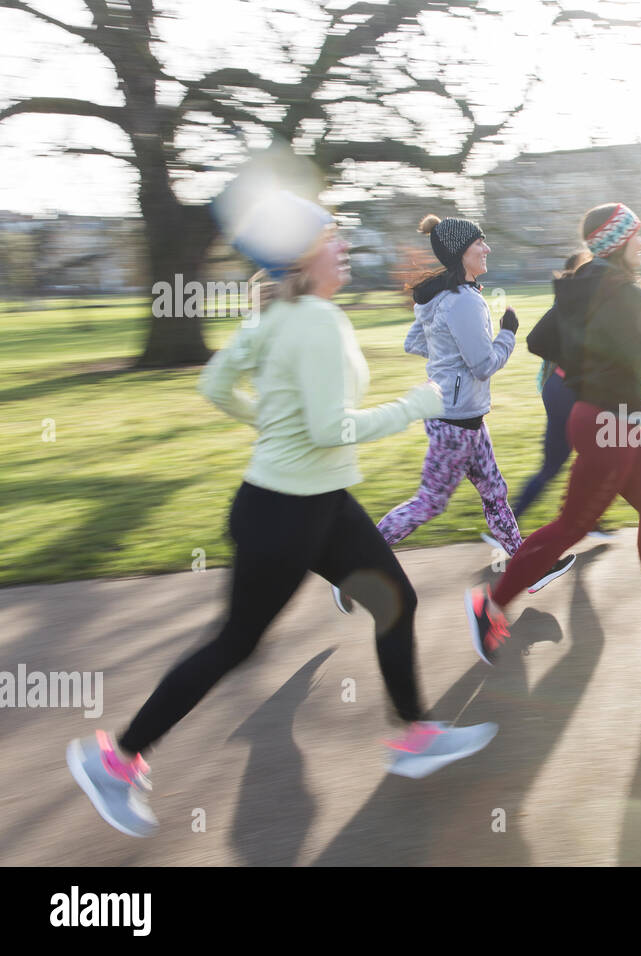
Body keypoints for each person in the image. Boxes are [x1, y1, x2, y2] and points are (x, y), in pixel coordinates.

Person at [67, 191, 498, 839]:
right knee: (235, 642)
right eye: (333, 236)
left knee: (393, 600)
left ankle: (416, 734)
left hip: (315, 502)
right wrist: (419, 404)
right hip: (287, 514)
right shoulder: (315, 323)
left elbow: (214, 386)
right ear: (302, 254)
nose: (344, 245)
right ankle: (117, 759)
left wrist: (270, 424)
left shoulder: (277, 315)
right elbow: (331, 429)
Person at [464, 202, 641, 665]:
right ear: (618, 241)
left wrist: (585, 365)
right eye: (636, 235)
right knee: (572, 526)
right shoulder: (628, 296)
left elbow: (539, 342)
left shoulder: (579, 286)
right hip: (611, 424)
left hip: (606, 419)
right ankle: (492, 605)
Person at [331, 214, 574, 615]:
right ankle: (351, 566)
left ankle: (529, 568)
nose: (488, 248)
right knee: (429, 502)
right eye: (481, 242)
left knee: (495, 494)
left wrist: (446, 352)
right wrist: (508, 332)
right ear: (464, 250)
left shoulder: (444, 297)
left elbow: (416, 342)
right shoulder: (463, 300)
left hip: (465, 417)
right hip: (454, 421)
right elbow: (482, 365)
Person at [507, 252, 613, 539]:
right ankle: (511, 524)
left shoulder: (573, 300)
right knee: (567, 462)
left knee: (588, 459)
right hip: (569, 392)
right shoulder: (581, 302)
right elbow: (535, 341)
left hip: (559, 388)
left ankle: (587, 519)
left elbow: (534, 341)